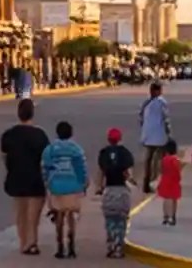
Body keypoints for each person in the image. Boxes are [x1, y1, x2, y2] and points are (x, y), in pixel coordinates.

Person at [1, 98, 50, 256]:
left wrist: (11, 168)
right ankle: (32, 242)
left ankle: (23, 243)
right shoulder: (40, 135)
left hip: (16, 177)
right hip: (35, 179)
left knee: (20, 213)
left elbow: (4, 157)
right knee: (33, 215)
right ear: (32, 114)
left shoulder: (8, 135)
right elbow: (46, 159)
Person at [42, 121, 89, 259]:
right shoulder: (76, 149)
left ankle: (60, 246)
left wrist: (47, 182)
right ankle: (72, 246)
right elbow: (81, 168)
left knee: (59, 216)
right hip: (73, 185)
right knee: (71, 216)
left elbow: (45, 167)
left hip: (57, 186)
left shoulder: (50, 149)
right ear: (71, 133)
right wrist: (84, 183)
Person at [96, 127, 135, 259]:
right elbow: (129, 173)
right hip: (122, 190)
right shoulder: (126, 153)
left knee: (110, 220)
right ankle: (119, 246)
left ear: (108, 139)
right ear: (120, 139)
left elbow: (101, 173)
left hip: (110, 189)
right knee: (122, 220)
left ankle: (111, 245)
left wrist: (99, 188)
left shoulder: (104, 153)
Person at [139, 82, 171, 193]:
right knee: (158, 160)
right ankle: (156, 182)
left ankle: (146, 183)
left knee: (148, 159)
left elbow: (141, 118)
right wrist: (168, 132)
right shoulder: (162, 102)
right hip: (159, 135)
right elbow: (166, 119)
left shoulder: (146, 103)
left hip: (148, 135)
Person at [156, 140, 183, 225]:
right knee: (173, 199)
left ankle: (166, 216)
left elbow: (160, 169)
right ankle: (173, 216)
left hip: (165, 180)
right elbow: (177, 170)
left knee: (166, 199)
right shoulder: (176, 160)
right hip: (174, 181)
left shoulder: (164, 159)